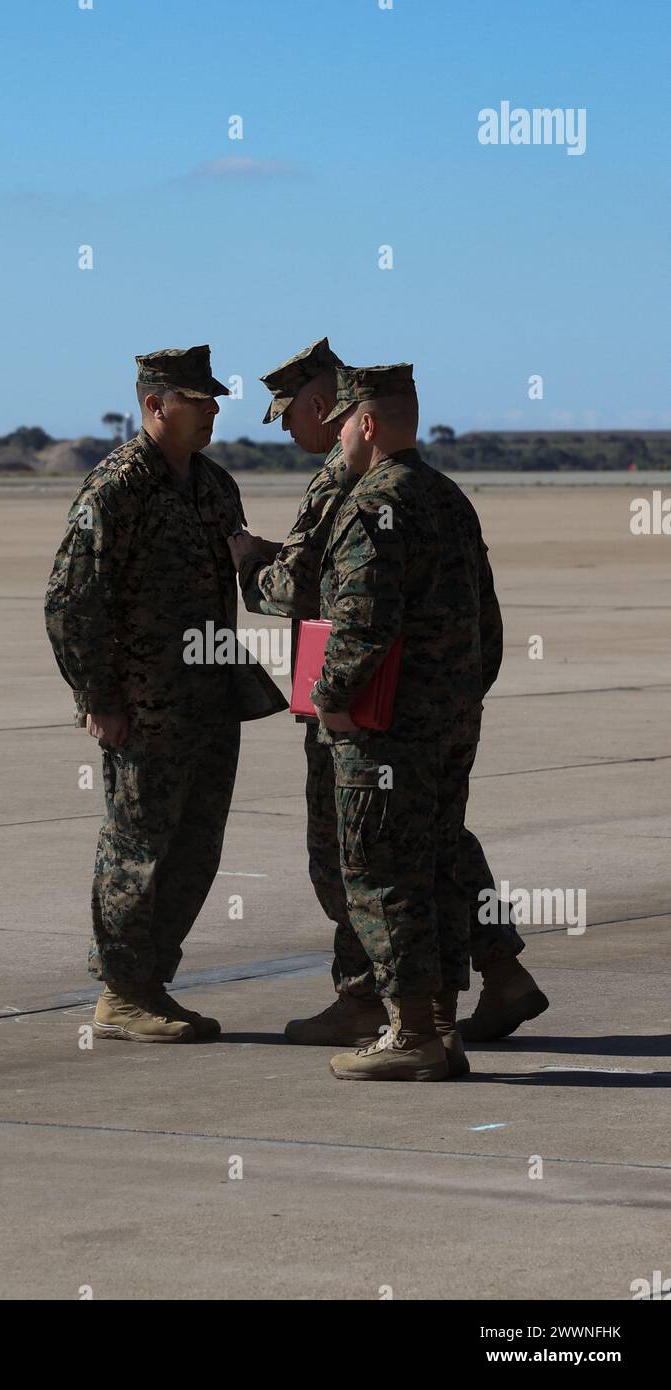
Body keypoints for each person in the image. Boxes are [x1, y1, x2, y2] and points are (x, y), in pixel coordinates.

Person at [232, 354, 547, 1050]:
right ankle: (451, 999)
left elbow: (349, 609)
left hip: (374, 715)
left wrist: (328, 690)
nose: (304, 430)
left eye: (323, 417)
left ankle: (392, 1017)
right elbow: (483, 619)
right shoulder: (445, 494)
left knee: (369, 862)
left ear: (356, 419)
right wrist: (461, 695)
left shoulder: (365, 497)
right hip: (442, 713)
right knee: (435, 849)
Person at [45, 345, 287, 1044]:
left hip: (211, 694)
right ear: (156, 404)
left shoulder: (213, 485)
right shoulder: (116, 488)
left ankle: (151, 982)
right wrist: (98, 697)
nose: (211, 412)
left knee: (194, 847)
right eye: (199, 401)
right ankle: (121, 991)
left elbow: (242, 575)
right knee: (136, 848)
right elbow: (70, 600)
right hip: (145, 703)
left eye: (214, 402)